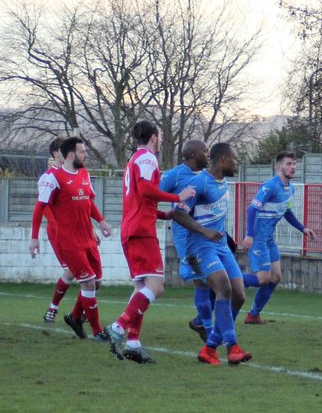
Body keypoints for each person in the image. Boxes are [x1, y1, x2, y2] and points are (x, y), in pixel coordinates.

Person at [105, 121, 196, 364]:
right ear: (153, 137)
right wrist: (178, 197)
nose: (162, 141)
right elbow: (145, 190)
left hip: (133, 228)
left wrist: (163, 214)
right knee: (156, 288)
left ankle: (133, 343)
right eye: (161, 136)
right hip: (141, 231)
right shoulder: (147, 158)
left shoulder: (135, 159)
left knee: (141, 288)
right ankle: (118, 326)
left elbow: (140, 200)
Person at [29, 137, 114, 341]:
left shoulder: (84, 173)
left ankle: (75, 317)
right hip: (69, 240)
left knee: (97, 282)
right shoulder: (52, 178)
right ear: (70, 155)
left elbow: (87, 202)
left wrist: (100, 222)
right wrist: (34, 238)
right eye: (83, 151)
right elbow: (40, 208)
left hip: (88, 238)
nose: (86, 155)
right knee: (87, 283)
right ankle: (97, 331)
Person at [179, 142, 253, 366]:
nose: (236, 163)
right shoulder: (199, 182)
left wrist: (224, 236)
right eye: (234, 159)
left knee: (239, 295)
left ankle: (210, 348)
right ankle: (232, 346)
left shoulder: (224, 184)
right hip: (199, 247)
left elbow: (213, 215)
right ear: (223, 160)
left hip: (219, 246)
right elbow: (178, 214)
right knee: (224, 288)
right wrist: (204, 231)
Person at [240, 152, 317, 324]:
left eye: (294, 164)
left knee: (275, 278)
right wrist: (250, 235)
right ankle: (228, 280)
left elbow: (286, 212)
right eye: (289, 164)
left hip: (269, 240)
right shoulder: (270, 186)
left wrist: (302, 228)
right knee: (263, 279)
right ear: (279, 167)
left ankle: (253, 315)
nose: (293, 167)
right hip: (258, 238)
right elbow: (252, 209)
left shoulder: (290, 188)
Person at [160, 140, 222, 343]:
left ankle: (200, 322)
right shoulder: (174, 175)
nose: (209, 155)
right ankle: (208, 327)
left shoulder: (208, 176)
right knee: (202, 282)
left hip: (208, 234)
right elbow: (147, 196)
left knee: (216, 281)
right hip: (186, 235)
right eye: (205, 151)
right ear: (194, 155)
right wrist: (162, 214)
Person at [39, 136, 78, 324]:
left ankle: (79, 313)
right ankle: (53, 308)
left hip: (77, 231)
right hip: (59, 232)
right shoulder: (49, 177)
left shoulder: (74, 173)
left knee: (93, 277)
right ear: (56, 154)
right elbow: (43, 207)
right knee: (71, 270)